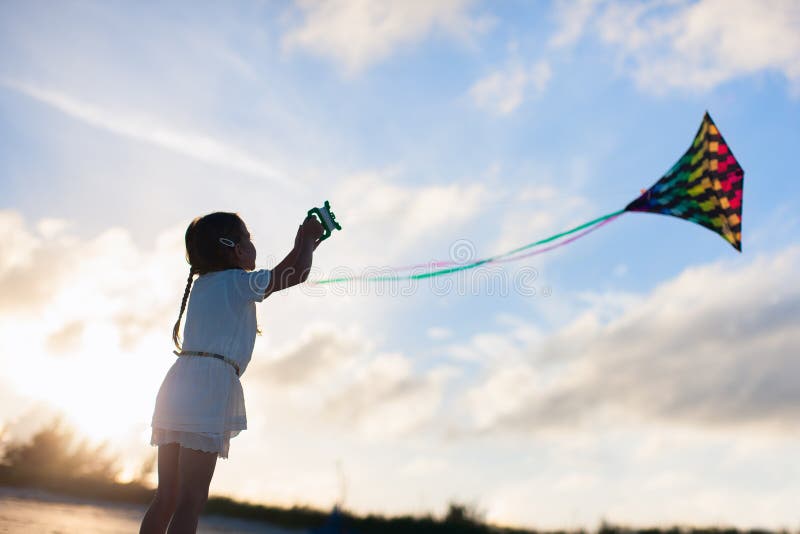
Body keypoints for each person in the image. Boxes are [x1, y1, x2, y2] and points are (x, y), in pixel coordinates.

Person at [140, 211, 325, 534]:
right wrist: (307, 240)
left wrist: (303, 242)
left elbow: (289, 268)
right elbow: (296, 274)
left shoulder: (205, 283)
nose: (253, 246)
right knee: (191, 500)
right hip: (208, 387)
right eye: (248, 240)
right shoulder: (238, 283)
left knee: (166, 497)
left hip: (177, 384)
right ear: (234, 248)